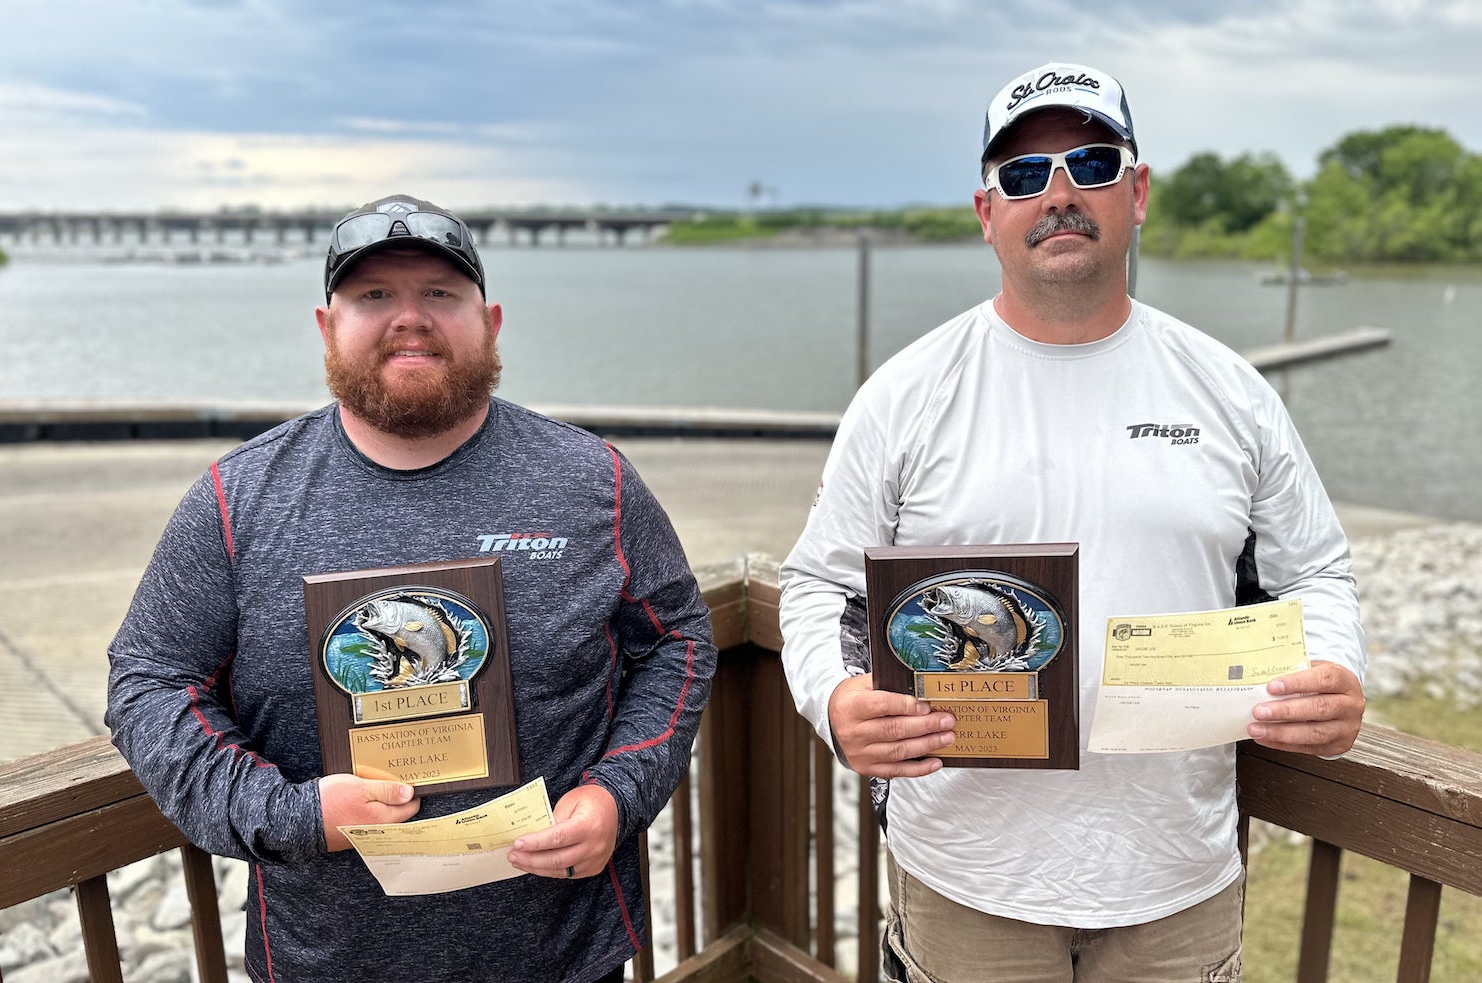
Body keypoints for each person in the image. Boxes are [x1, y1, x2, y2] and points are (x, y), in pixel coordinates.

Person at [779, 63, 1365, 982]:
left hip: (1177, 878)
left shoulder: (1230, 391)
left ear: (1136, 193)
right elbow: (818, 584)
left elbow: (1317, 572)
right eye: (1022, 175)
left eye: (1089, 163)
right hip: (965, 872)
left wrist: (1336, 670)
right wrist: (835, 697)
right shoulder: (903, 395)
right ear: (986, 212)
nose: (1057, 194)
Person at [106, 193, 717, 983]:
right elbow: (148, 684)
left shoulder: (592, 481)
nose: (410, 317)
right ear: (327, 328)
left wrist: (616, 792)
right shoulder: (234, 502)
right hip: (324, 959)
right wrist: (291, 816)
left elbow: (679, 641)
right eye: (373, 295)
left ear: (490, 321)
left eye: (439, 293)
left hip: (563, 952)